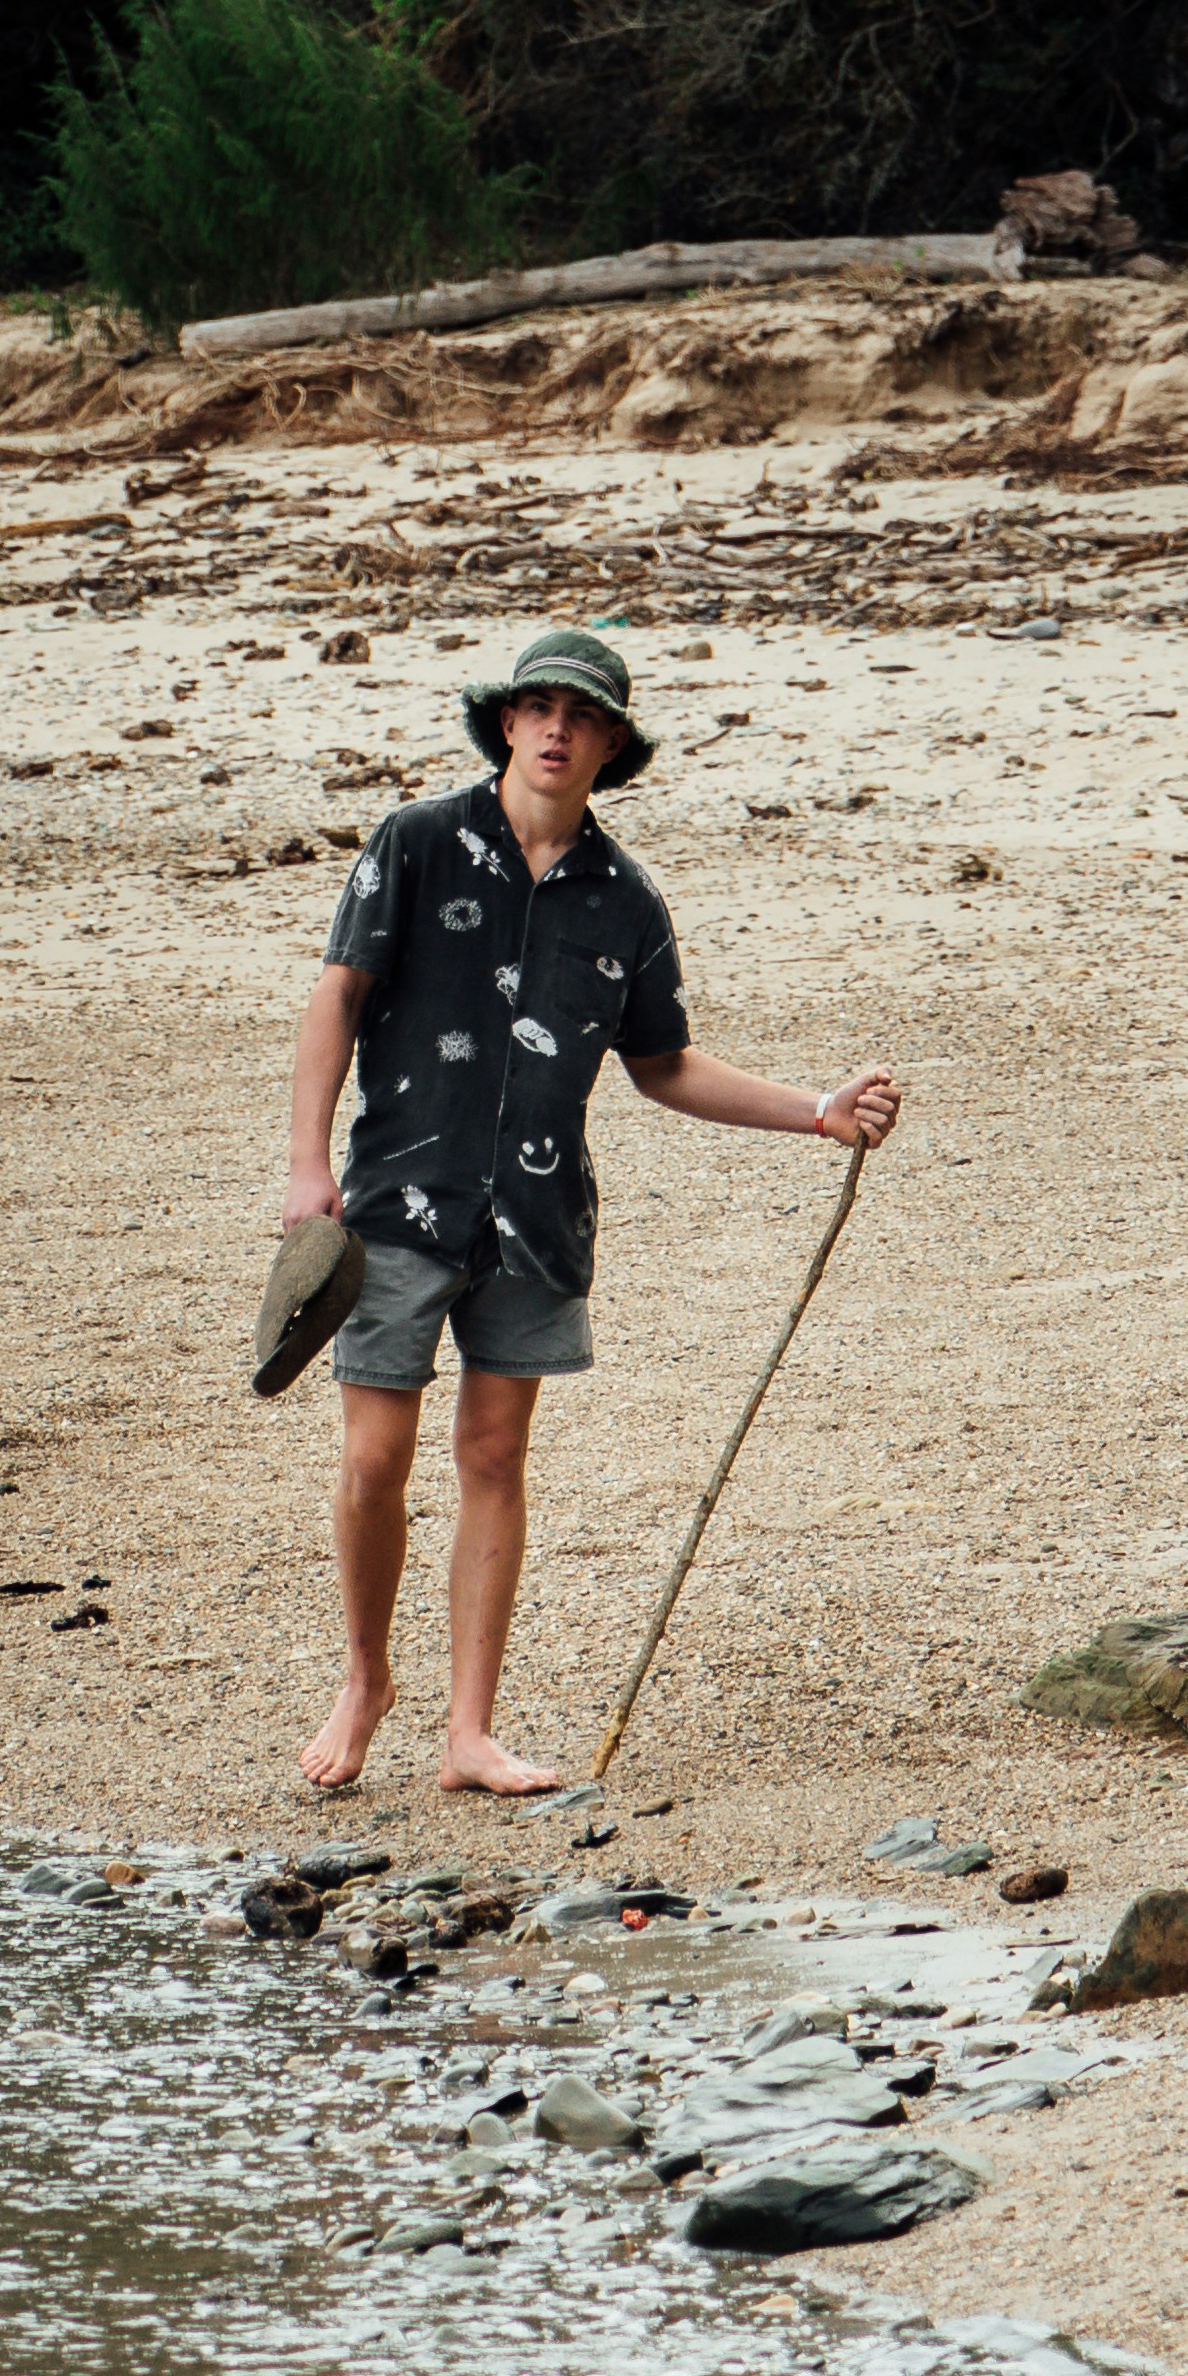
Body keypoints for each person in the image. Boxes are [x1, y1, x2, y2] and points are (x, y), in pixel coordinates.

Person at [279, 616, 899, 1797]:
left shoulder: (626, 900)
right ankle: (365, 1681)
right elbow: (335, 1000)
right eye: (540, 709)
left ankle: (469, 1734)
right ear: (506, 723)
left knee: (494, 1456)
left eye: (585, 716)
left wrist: (816, 1108)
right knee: (373, 1460)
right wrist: (308, 1169)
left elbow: (662, 1065)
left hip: (537, 1217)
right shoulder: (413, 843)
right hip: (398, 1198)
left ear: (611, 745)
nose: (559, 729)